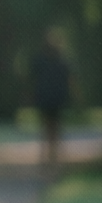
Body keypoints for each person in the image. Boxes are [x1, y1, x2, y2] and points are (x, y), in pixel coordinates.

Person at [30, 29, 74, 166]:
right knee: (55, 126)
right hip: (57, 97)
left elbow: (32, 80)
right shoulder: (62, 61)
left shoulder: (40, 61)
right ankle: (53, 155)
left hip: (44, 96)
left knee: (46, 126)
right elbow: (70, 80)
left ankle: (46, 155)